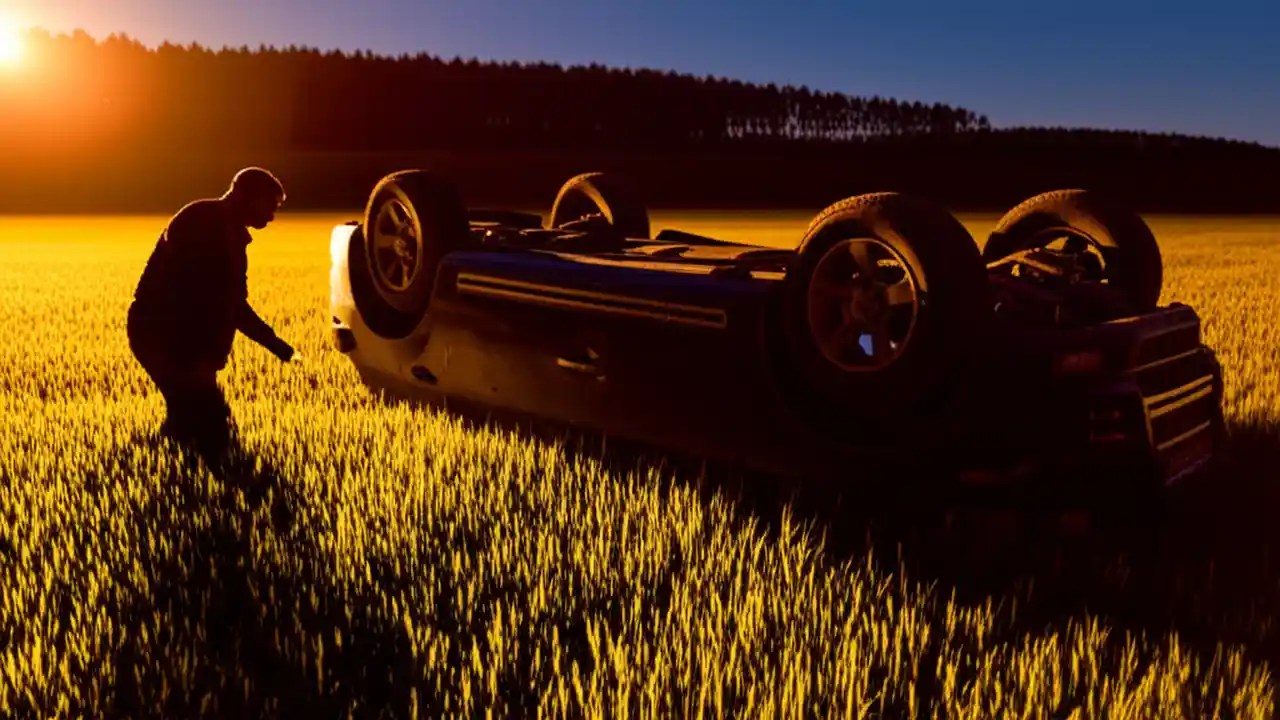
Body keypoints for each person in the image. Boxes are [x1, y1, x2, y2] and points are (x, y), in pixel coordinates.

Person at [127, 167, 298, 463]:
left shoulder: (231, 236)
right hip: (163, 335)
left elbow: (232, 303)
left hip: (181, 340)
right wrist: (200, 354)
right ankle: (161, 474)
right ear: (248, 197)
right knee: (207, 420)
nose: (271, 216)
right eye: (269, 206)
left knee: (195, 419)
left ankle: (162, 470)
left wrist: (274, 344)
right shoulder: (200, 220)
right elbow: (195, 293)